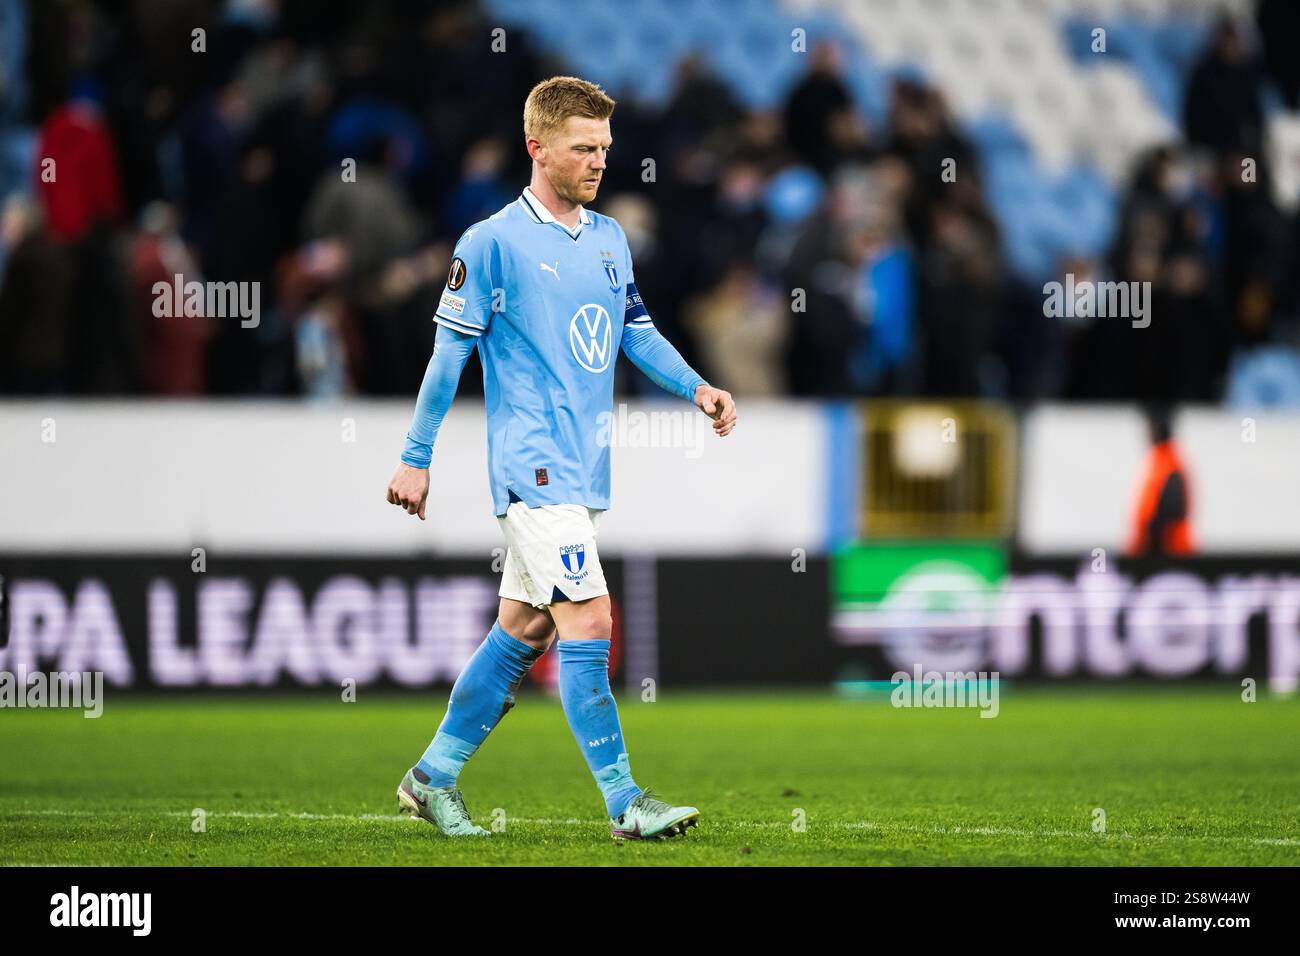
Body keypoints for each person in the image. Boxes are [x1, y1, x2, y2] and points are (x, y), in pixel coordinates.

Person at [385, 76, 737, 840]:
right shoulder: (490, 244)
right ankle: (625, 802)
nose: (599, 162)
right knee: (590, 616)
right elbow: (449, 358)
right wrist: (416, 458)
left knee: (526, 628)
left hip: (582, 472)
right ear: (537, 147)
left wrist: (696, 386)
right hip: (531, 467)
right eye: (584, 148)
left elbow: (633, 332)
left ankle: (431, 777)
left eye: (605, 149)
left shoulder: (610, 239)